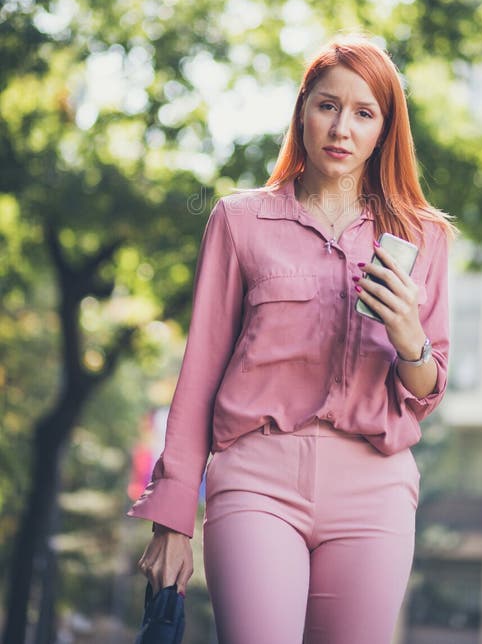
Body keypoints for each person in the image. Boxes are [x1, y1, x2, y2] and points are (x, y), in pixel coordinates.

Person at [128, 32, 454, 644]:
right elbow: (198, 375)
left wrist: (409, 335)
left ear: (384, 129)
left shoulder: (422, 237)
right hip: (257, 478)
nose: (341, 128)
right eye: (327, 105)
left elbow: (426, 390)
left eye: (364, 113)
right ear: (303, 110)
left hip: (373, 485)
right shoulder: (239, 219)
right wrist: (172, 518)